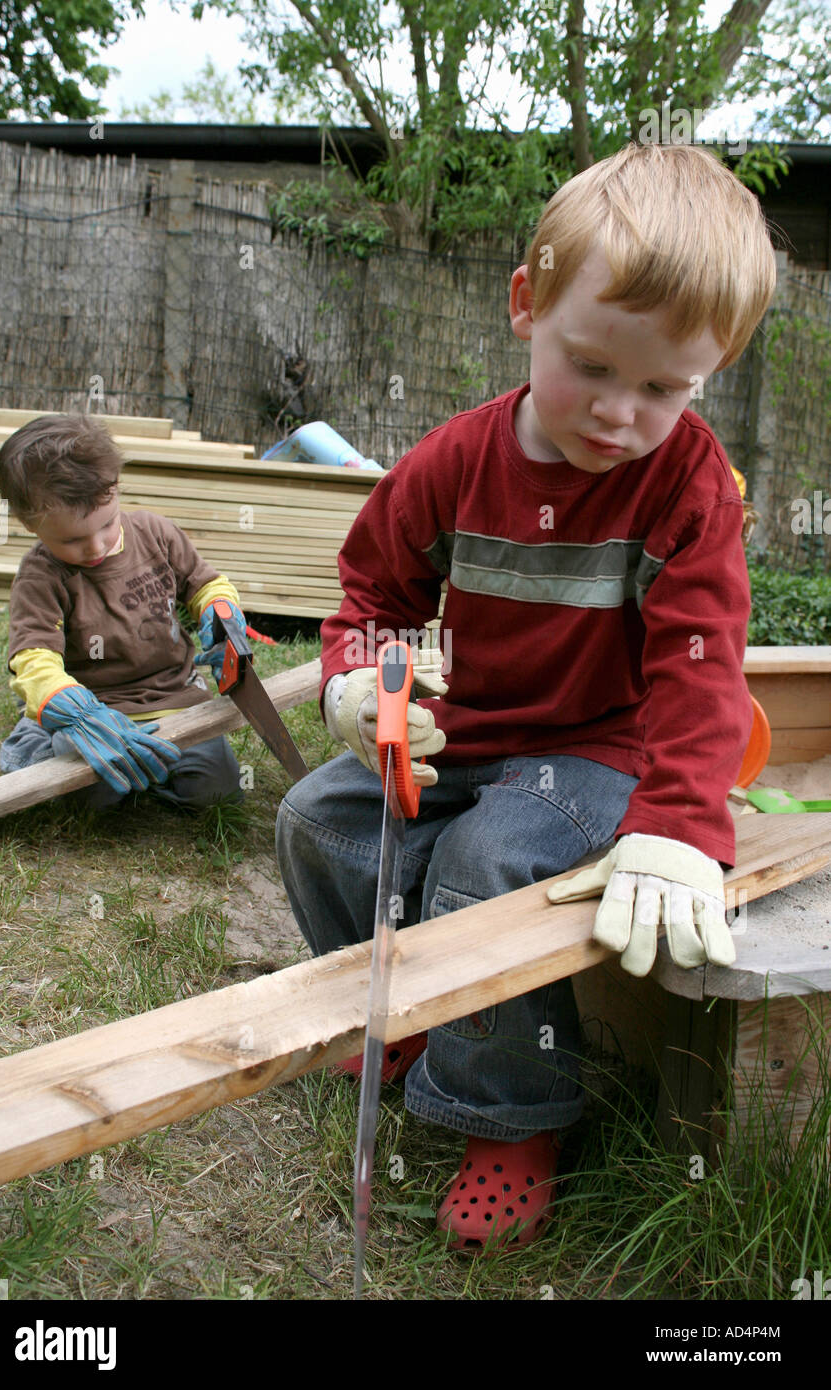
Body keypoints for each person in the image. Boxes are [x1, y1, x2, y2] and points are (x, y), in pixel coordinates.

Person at [275, 142, 777, 1253]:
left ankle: (506, 1114)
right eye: (591, 365)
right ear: (525, 306)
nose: (617, 412)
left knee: (480, 868)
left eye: (663, 387)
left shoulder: (689, 487)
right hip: (470, 734)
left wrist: (681, 828)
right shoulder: (452, 462)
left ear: (708, 373)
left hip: (598, 754)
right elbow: (370, 589)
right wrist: (363, 683)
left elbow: (701, 669)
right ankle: (400, 1008)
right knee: (317, 820)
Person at [0, 414, 246, 812]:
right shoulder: (41, 576)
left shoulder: (156, 533)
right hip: (94, 709)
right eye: (73, 539)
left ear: (115, 489)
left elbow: (204, 583)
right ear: (30, 524)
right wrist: (73, 710)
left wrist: (221, 611)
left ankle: (135, 773)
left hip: (174, 698)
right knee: (92, 795)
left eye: (107, 525)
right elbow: (33, 659)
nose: (95, 547)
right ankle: (34, 743)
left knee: (216, 790)